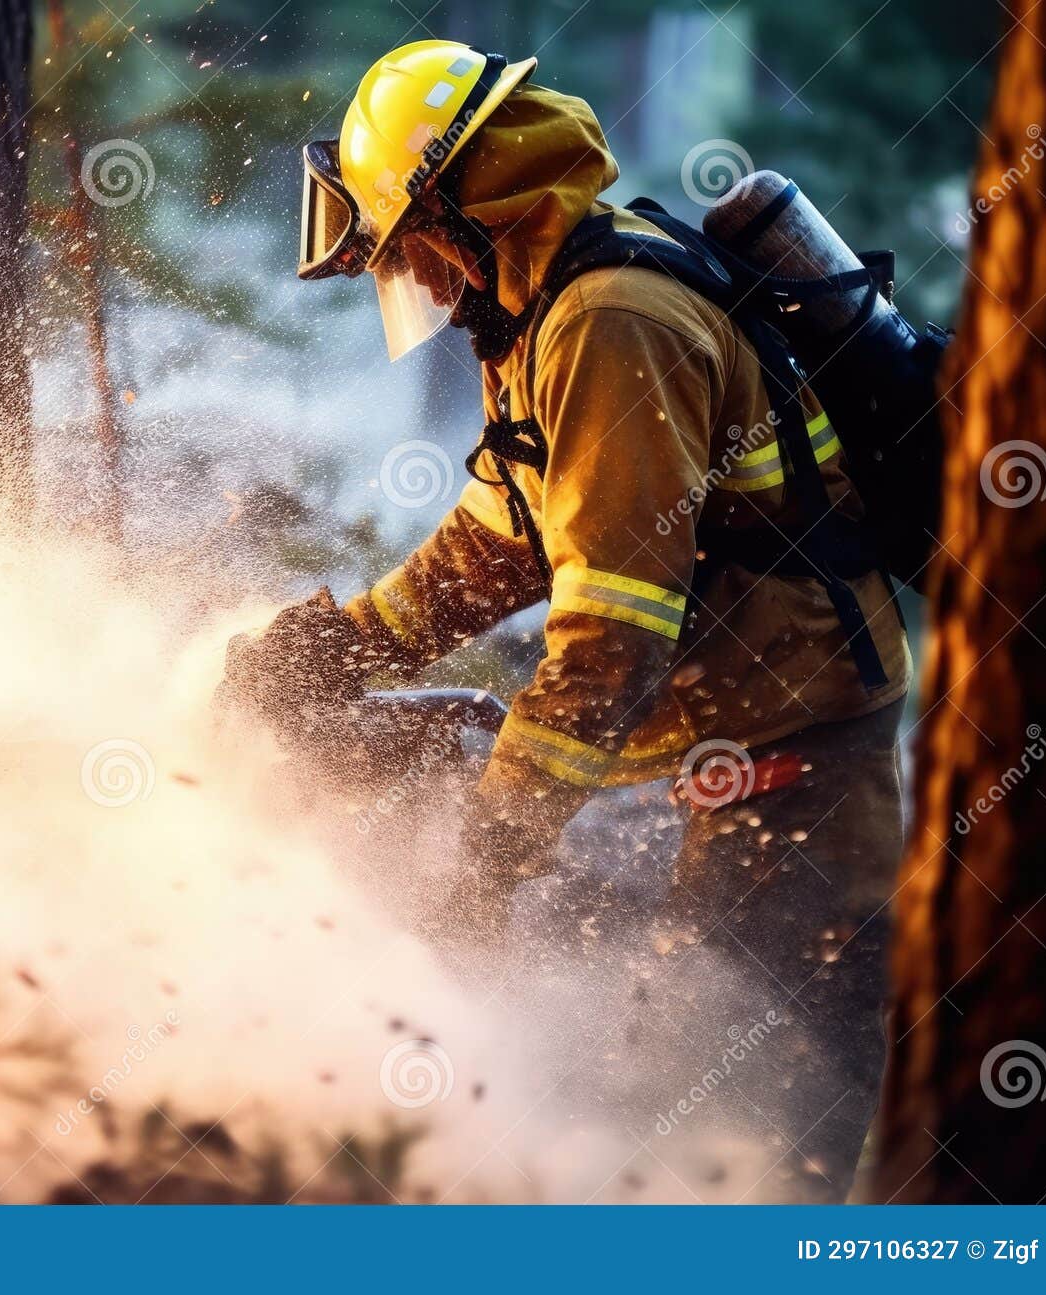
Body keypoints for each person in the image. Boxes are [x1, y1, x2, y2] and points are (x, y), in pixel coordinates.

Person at [233, 40, 913, 1202]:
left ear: (463, 207)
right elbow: (504, 536)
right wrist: (350, 644)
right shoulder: (543, 308)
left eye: (411, 249)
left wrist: (492, 857)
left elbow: (610, 638)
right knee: (734, 1037)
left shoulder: (610, 323)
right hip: (734, 748)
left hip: (785, 761)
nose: (419, 282)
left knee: (821, 1080)